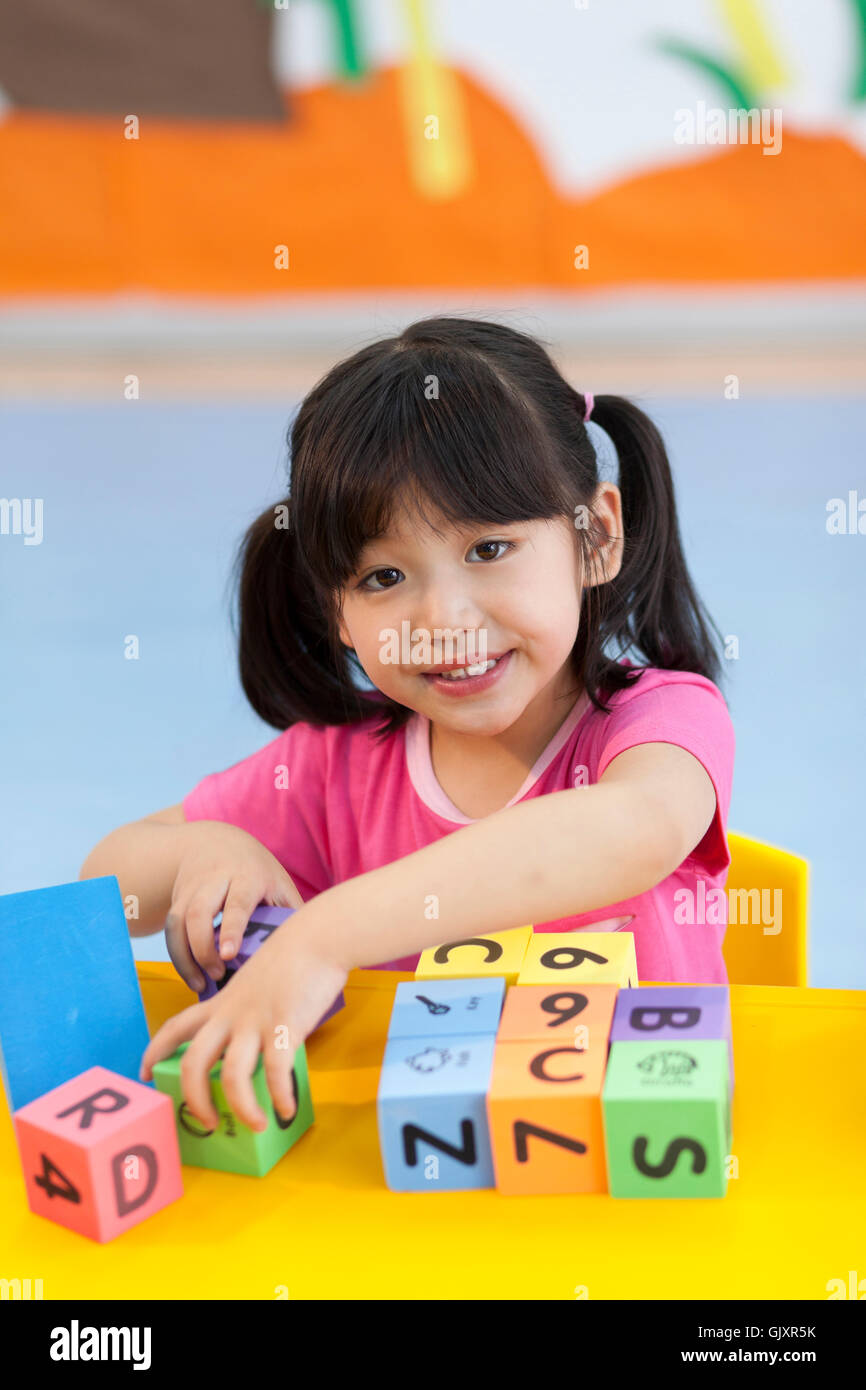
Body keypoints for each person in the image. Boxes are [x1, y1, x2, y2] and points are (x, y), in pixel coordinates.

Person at [80, 316, 734, 1134]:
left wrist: (322, 937)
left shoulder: (659, 724)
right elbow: (103, 885)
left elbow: (633, 830)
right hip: (403, 1212)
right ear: (338, 614)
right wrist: (205, 851)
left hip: (636, 1207)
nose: (443, 617)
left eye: (490, 550)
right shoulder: (331, 768)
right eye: (385, 576)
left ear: (595, 535)